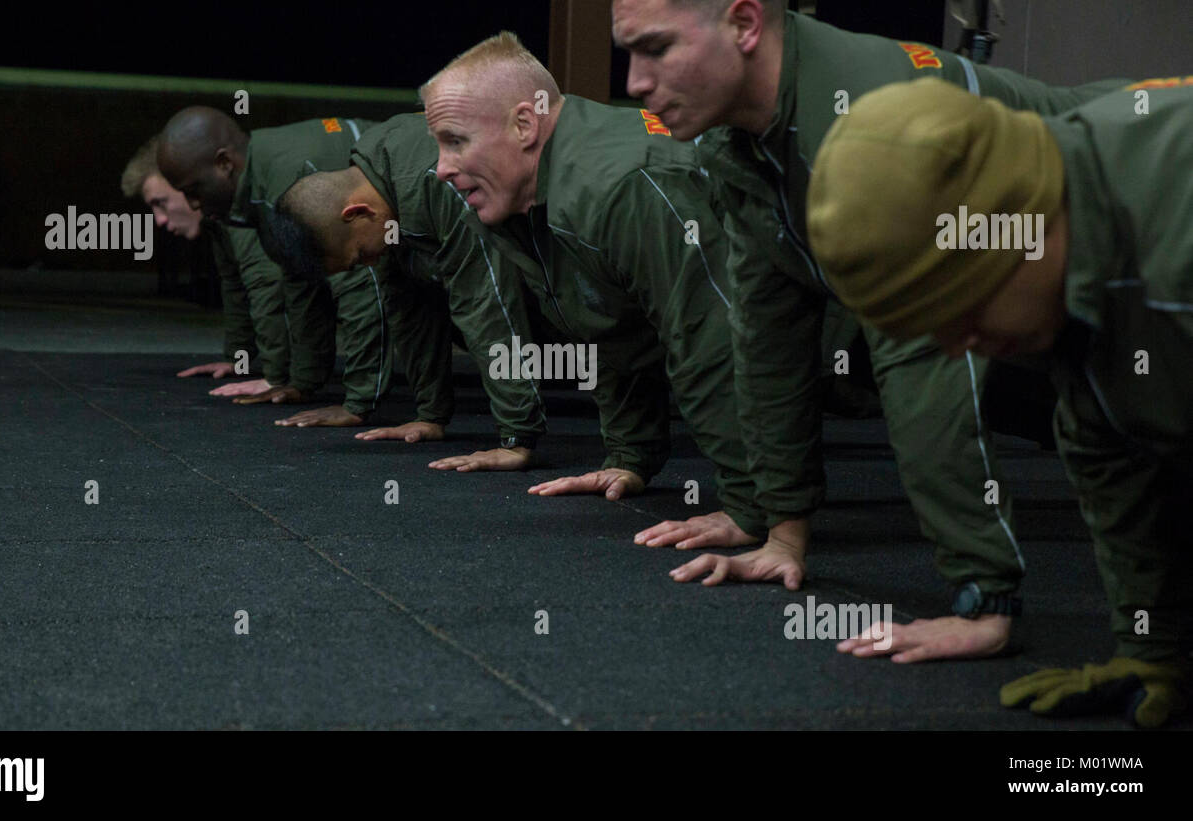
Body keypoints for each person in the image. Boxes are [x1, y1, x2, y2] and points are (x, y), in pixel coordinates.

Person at [611, 0, 1124, 660]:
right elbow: (769, 331)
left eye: (656, 49)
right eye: (629, 53)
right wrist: (781, 533)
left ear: (744, 25)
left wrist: (983, 600)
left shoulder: (869, 126)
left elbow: (924, 367)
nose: (634, 83)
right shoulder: (735, 142)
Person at [806, 77, 1192, 726]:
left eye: (960, 307)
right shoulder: (1074, 278)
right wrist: (1155, 649)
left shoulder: (1172, 244)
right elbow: (1116, 465)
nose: (960, 345)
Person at [421, 32, 777, 548]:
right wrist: (630, 457)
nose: (441, 167)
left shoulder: (621, 184)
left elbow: (713, 339)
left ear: (524, 125)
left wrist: (751, 507)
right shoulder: (516, 202)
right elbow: (610, 322)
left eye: (455, 140)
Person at [274, 113, 549, 473]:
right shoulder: (380, 184)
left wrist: (517, 439)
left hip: (577, 250)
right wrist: (430, 416)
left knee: (500, 314)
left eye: (360, 256)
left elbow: (488, 302)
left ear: (357, 212)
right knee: (413, 288)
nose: (369, 264)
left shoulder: (440, 180)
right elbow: (408, 307)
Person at [157, 108, 389, 425]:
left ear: (224, 164)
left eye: (194, 189)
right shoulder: (263, 185)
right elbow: (303, 282)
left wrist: (358, 405)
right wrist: (301, 383)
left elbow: (363, 289)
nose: (194, 204)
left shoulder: (290, 178)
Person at [121, 134, 271, 385]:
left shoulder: (243, 206)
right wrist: (238, 360)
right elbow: (237, 289)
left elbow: (269, 288)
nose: (160, 220)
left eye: (162, 203)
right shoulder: (218, 221)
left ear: (187, 184)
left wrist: (277, 380)